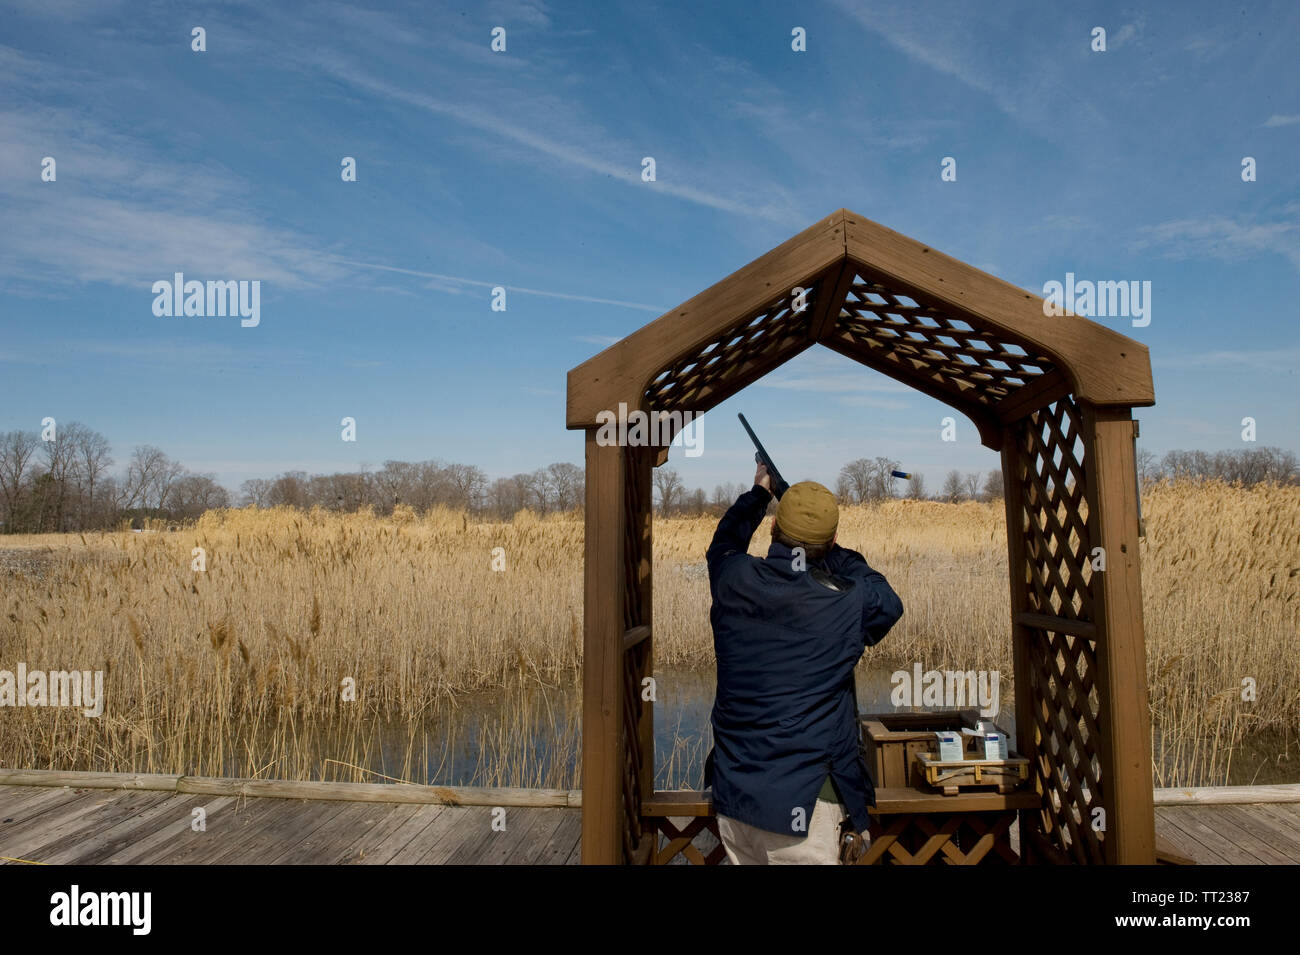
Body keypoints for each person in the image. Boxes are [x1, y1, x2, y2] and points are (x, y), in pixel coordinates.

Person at [703, 463, 904, 864]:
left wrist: (761, 491)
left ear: (773, 528)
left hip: (735, 801)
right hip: (806, 811)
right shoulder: (848, 603)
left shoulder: (732, 576)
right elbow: (887, 599)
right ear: (831, 541)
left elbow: (725, 540)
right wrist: (834, 552)